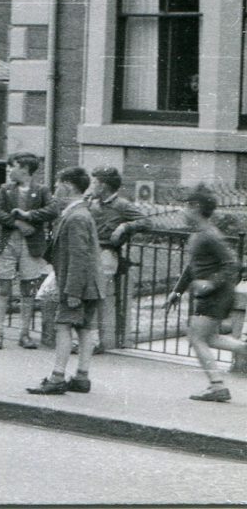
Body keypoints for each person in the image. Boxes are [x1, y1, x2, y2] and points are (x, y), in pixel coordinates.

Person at [27, 166, 101, 395]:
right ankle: (82, 377)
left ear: (67, 185)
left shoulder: (76, 216)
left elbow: (79, 257)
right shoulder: (80, 213)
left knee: (63, 326)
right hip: (91, 285)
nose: (55, 189)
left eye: (57, 184)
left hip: (77, 285)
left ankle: (57, 377)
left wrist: (72, 292)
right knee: (85, 328)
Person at [169, 187, 247, 403]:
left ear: (196, 208)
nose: (183, 210)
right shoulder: (198, 235)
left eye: (186, 206)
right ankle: (220, 381)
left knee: (196, 338)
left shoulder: (210, 235)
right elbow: (191, 267)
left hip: (216, 295)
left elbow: (233, 264)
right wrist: (177, 290)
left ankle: (217, 386)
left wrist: (210, 284)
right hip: (214, 295)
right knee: (209, 338)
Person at [0, 151, 51, 349]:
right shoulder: (5, 189)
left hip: (30, 246)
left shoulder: (41, 190)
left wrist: (29, 215)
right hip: (7, 243)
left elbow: (52, 210)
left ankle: (24, 334)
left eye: (11, 166)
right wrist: (17, 224)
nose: (8, 170)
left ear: (24, 169)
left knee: (28, 290)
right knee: (3, 288)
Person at [86, 165, 150, 353]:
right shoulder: (92, 202)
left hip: (106, 254)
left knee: (99, 297)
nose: (93, 186)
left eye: (95, 182)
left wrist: (124, 227)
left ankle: (97, 341)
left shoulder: (121, 205)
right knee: (86, 296)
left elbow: (146, 221)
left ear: (104, 185)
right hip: (89, 252)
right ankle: (86, 339)